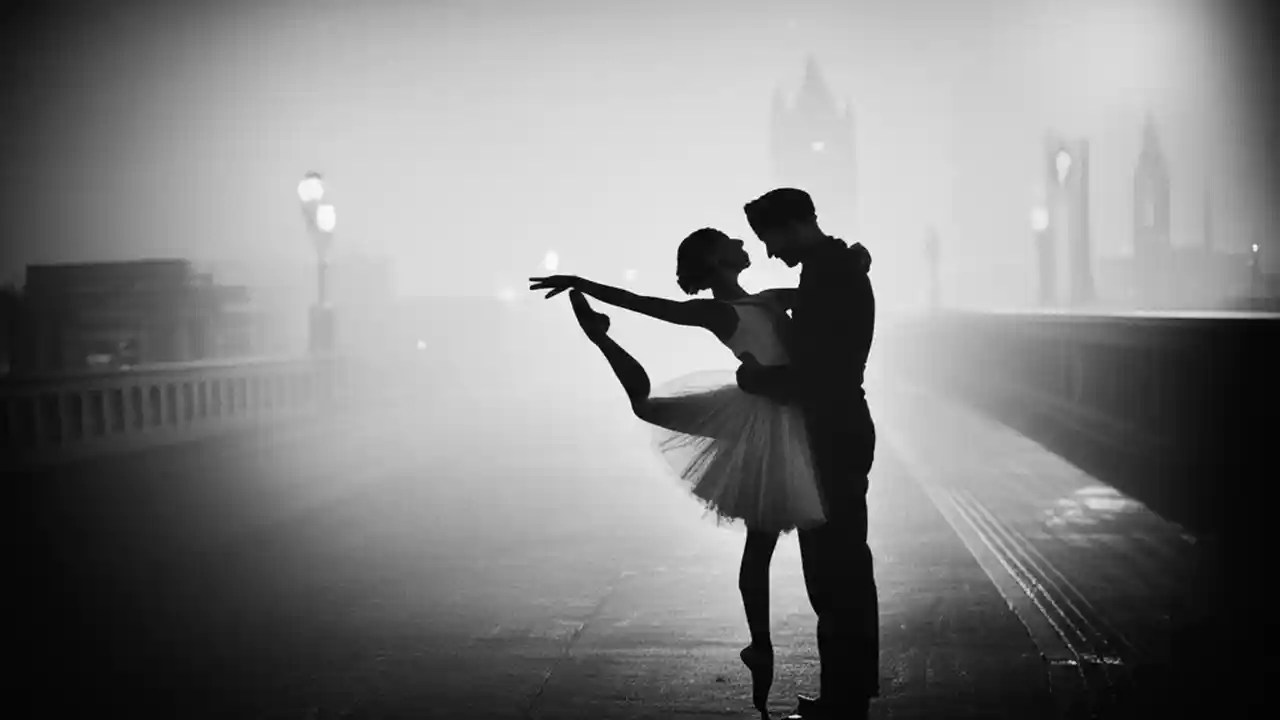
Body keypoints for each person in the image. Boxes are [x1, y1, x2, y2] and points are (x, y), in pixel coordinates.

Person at [529, 227, 869, 717]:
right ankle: (601, 338)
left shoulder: (769, 298)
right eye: (732, 241)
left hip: (784, 416)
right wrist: (584, 281)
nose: (744, 243)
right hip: (768, 419)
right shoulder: (719, 311)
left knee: (762, 539)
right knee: (650, 410)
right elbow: (643, 302)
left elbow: (828, 296)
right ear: (715, 260)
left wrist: (856, 264)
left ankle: (761, 646)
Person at [733, 188, 878, 720]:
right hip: (842, 428)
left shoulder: (828, 274)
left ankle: (846, 703)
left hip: (831, 432)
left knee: (835, 573)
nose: (769, 251)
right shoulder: (833, 267)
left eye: (769, 239)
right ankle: (846, 695)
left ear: (793, 225)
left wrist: (757, 378)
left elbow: (822, 371)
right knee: (842, 569)